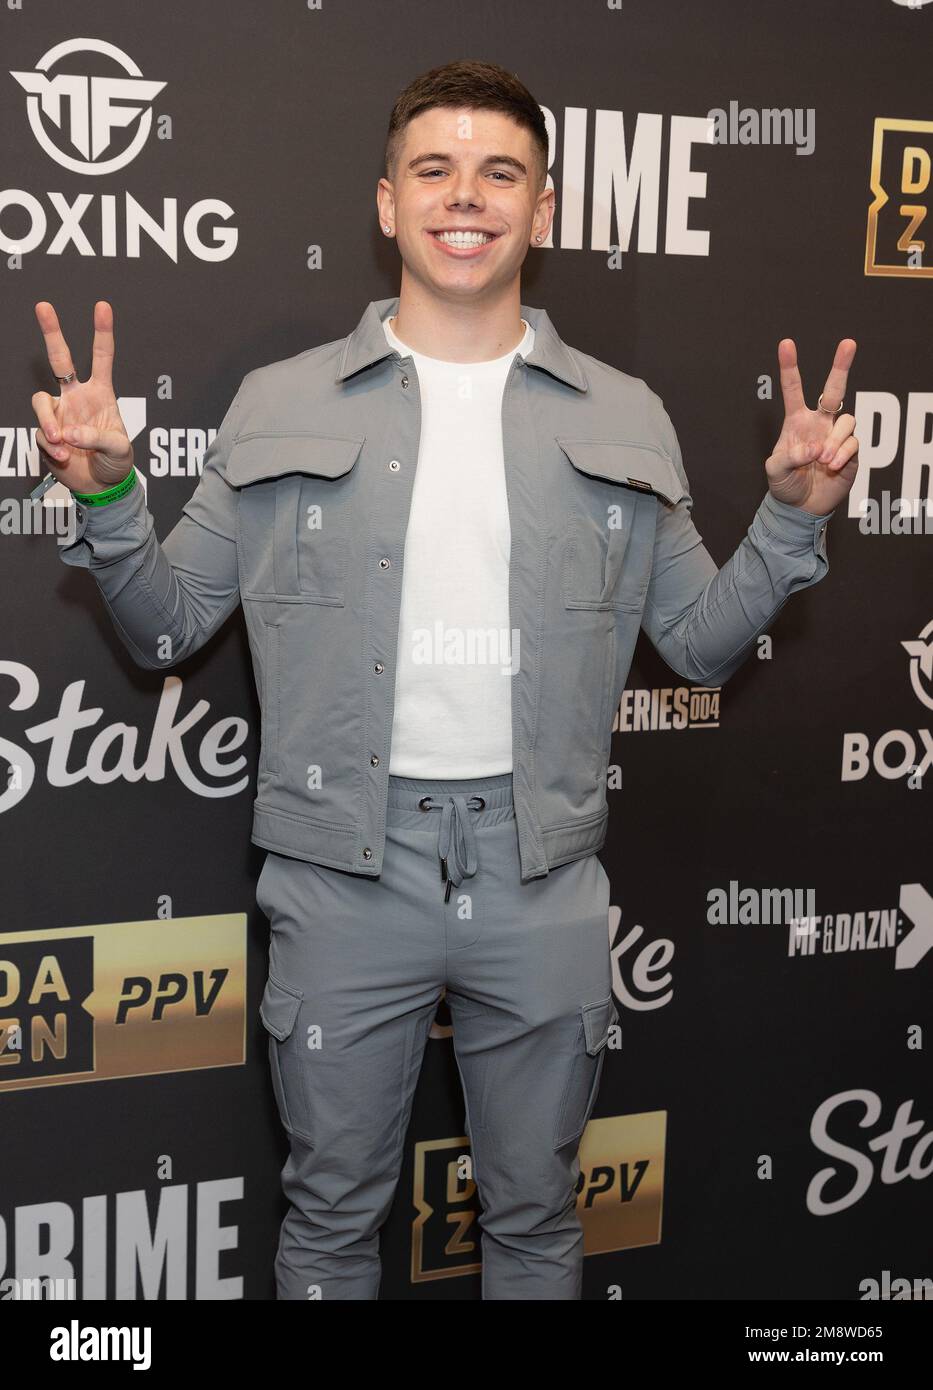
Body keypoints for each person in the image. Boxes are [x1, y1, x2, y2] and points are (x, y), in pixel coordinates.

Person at [30, 60, 858, 1300]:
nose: (463, 197)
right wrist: (103, 493)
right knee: (328, 1223)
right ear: (385, 202)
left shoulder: (627, 415)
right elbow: (166, 629)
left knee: (534, 1224)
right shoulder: (279, 402)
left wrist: (792, 520)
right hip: (340, 873)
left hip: (543, 874)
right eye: (434, 169)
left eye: (498, 173)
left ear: (546, 209)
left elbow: (693, 644)